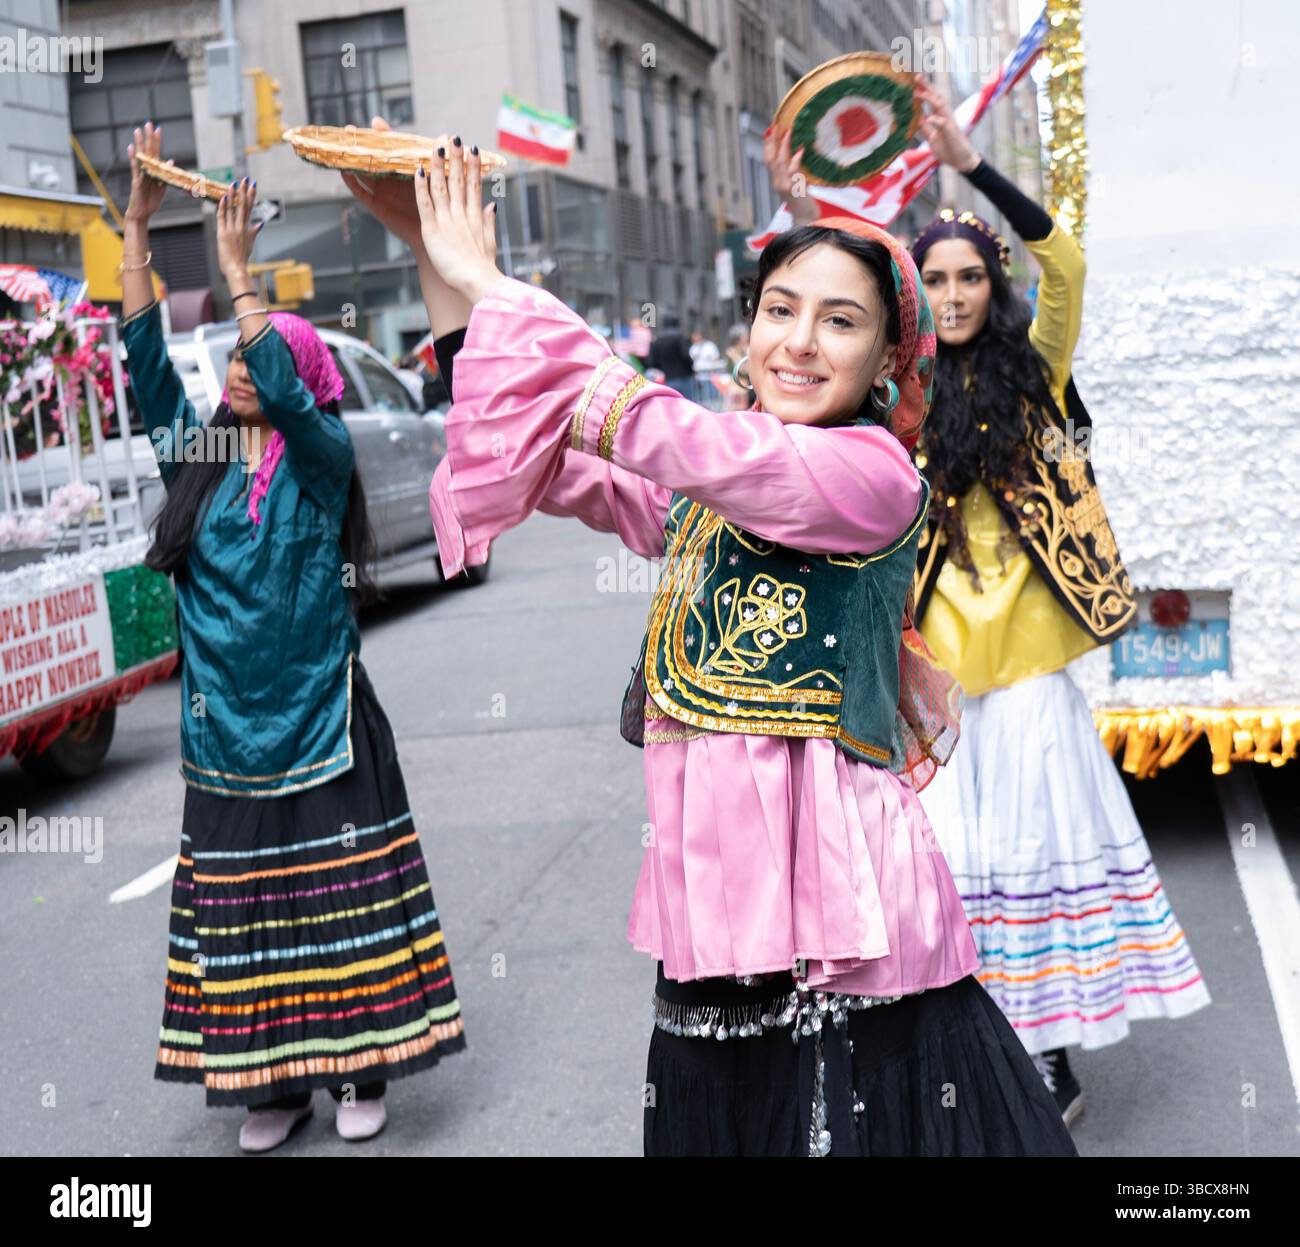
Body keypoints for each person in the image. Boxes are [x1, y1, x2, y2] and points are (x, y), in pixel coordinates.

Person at [346, 134, 1079, 1157]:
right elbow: (556, 451)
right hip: (716, 895)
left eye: (840, 321)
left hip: (848, 910)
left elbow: (666, 432)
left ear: (886, 362)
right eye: (779, 309)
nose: (799, 340)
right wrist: (437, 255)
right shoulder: (705, 489)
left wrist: (490, 278)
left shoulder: (869, 475)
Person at [121, 123, 465, 1153]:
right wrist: (139, 226)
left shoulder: (321, 458)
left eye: (260, 360)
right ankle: (269, 1084)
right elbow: (144, 359)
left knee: (334, 896)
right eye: (234, 356)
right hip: (226, 736)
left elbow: (277, 364)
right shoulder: (199, 456)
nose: (241, 367)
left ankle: (359, 1065)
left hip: (325, 719)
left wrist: (237, 272)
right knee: (252, 917)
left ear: (296, 382)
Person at [902, 82, 1210, 1122]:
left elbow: (1066, 261)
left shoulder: (1035, 370)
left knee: (1032, 870)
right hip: (938, 684)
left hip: (1031, 676)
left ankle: (1052, 1055)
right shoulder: (895, 395)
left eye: (966, 275)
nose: (950, 295)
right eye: (932, 279)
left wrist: (973, 164)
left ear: (991, 282)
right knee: (955, 876)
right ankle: (981, 1052)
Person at [644, 311, 695, 395]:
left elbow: (652, 361)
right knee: (688, 405)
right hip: (684, 377)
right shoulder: (679, 338)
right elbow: (685, 355)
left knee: (672, 405)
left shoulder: (658, 340)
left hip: (668, 378)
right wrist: (691, 369)